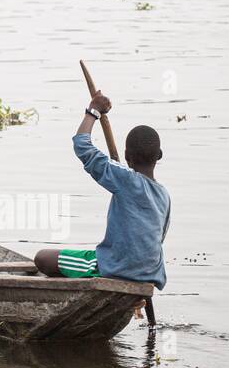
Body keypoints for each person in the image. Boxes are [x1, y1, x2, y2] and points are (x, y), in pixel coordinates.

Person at [34, 91, 171, 291]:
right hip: (150, 272)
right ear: (158, 156)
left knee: (42, 258)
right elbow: (157, 239)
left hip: (117, 268)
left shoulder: (125, 179)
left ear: (127, 156)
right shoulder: (164, 195)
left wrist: (93, 112)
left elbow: (83, 146)